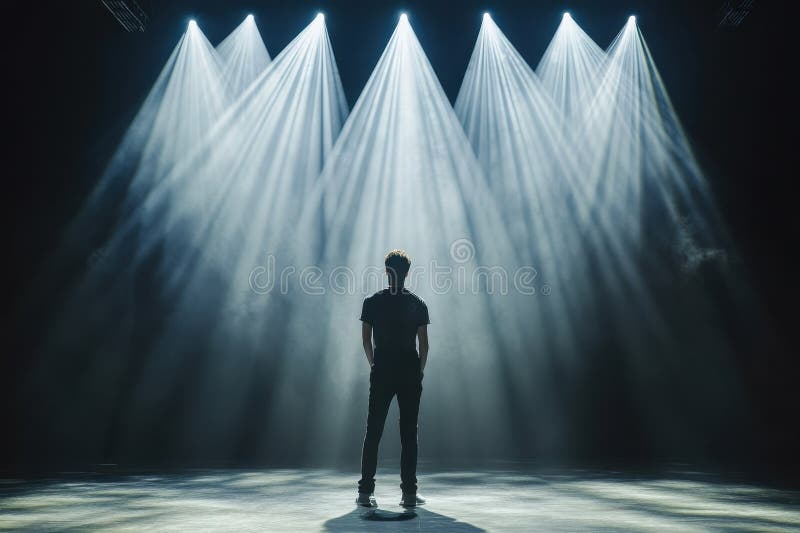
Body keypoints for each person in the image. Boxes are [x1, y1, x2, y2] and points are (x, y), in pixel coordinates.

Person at [356, 249, 429, 508]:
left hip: (382, 370)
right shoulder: (418, 304)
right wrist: (419, 371)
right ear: (407, 273)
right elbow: (424, 346)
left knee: (373, 431)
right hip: (409, 371)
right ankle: (409, 494)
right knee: (409, 433)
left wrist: (373, 364)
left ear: (387, 272)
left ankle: (365, 492)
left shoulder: (372, 302)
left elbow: (366, 340)